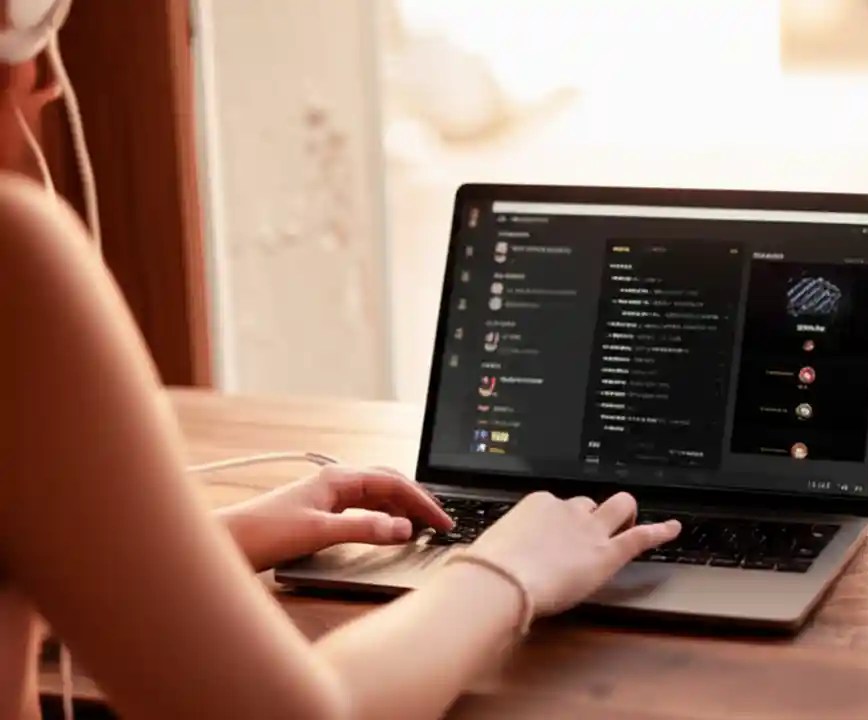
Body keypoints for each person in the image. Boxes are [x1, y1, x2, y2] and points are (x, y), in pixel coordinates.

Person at [0, 6, 681, 719]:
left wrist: (225, 539)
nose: (45, 79)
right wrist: (508, 569)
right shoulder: (14, 258)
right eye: (25, 32)